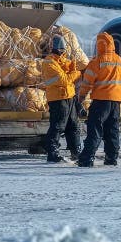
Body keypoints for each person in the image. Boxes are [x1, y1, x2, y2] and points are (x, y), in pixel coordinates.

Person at [77, 32, 121, 167]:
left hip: (101, 102)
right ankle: (111, 158)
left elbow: (87, 83)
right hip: (116, 102)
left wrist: (81, 97)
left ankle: (86, 159)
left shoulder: (97, 61)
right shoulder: (120, 61)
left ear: (99, 45)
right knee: (112, 131)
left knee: (95, 130)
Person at [41, 35, 81, 163]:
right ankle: (52, 153)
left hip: (69, 97)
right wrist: (76, 73)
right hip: (58, 99)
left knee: (73, 126)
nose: (63, 52)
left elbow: (66, 68)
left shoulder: (61, 61)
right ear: (55, 49)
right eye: (61, 49)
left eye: (64, 49)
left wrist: (71, 66)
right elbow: (64, 79)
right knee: (57, 126)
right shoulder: (49, 62)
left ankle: (76, 152)